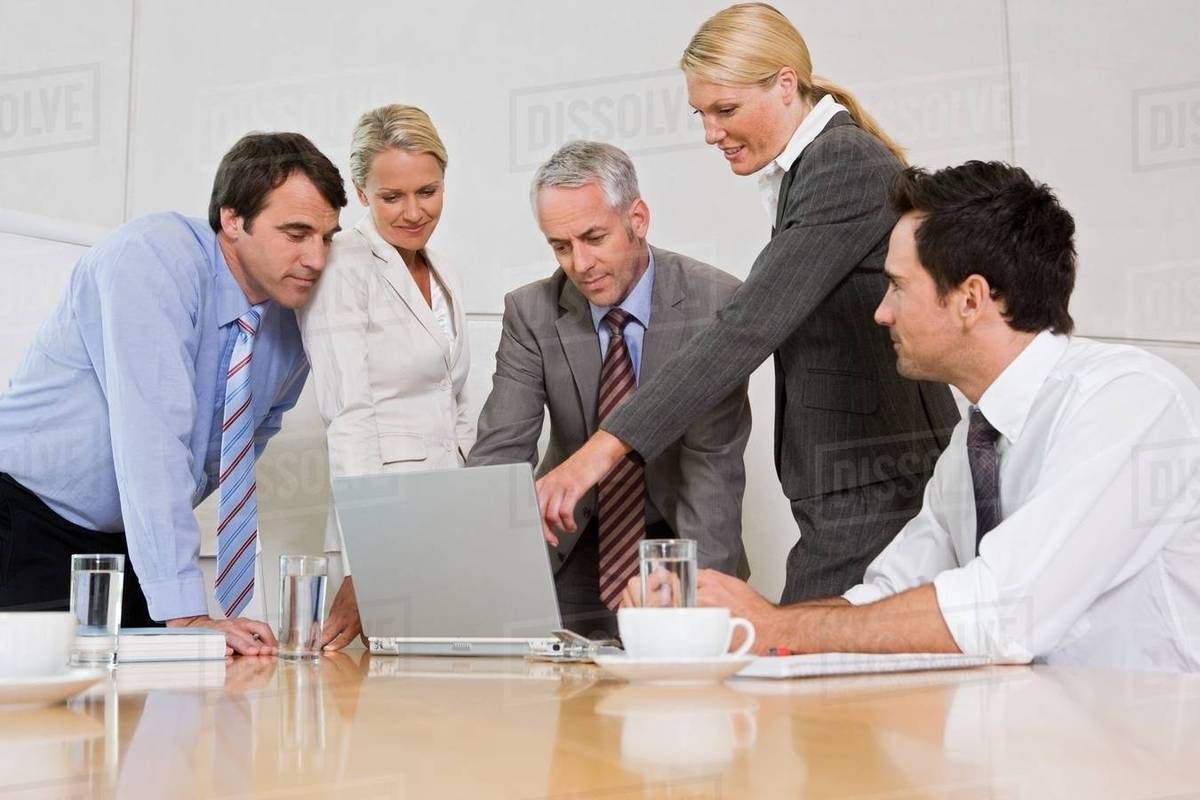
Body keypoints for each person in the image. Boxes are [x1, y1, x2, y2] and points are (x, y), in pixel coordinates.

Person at [643, 160, 1200, 672]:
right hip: (1036, 737)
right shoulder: (972, 442)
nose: (881, 313)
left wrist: (775, 626)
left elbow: (1001, 613)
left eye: (897, 286)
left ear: (970, 300)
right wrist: (729, 620)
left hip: (1147, 742)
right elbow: (883, 600)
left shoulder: (1126, 402)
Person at [537, 2, 959, 602]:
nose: (711, 133)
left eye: (726, 110)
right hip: (856, 479)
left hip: (877, 480)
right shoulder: (813, 166)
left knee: (803, 646)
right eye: (702, 114)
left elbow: (749, 325)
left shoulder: (841, 162)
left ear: (786, 84)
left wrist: (601, 451)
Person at [0, 132, 347, 655]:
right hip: (24, 521)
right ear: (233, 219)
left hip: (131, 545)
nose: (316, 259)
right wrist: (186, 613)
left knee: (162, 695)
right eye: (296, 233)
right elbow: (153, 441)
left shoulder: (293, 320)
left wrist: (181, 602)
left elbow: (238, 449)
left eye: (327, 237)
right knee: (36, 700)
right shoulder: (152, 258)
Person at [468, 141, 751, 638]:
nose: (580, 263)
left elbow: (712, 466)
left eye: (594, 237)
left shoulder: (715, 303)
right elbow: (500, 455)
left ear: (637, 219)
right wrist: (489, 585)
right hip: (571, 542)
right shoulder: (531, 312)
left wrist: (696, 603)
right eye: (561, 246)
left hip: (675, 540)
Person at [298, 104, 473, 650]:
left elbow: (456, 399)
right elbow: (348, 418)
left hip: (455, 512)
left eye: (428, 191)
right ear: (361, 191)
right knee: (389, 688)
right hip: (386, 519)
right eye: (392, 196)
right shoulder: (343, 265)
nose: (414, 212)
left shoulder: (443, 269)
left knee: (459, 681)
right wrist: (366, 562)